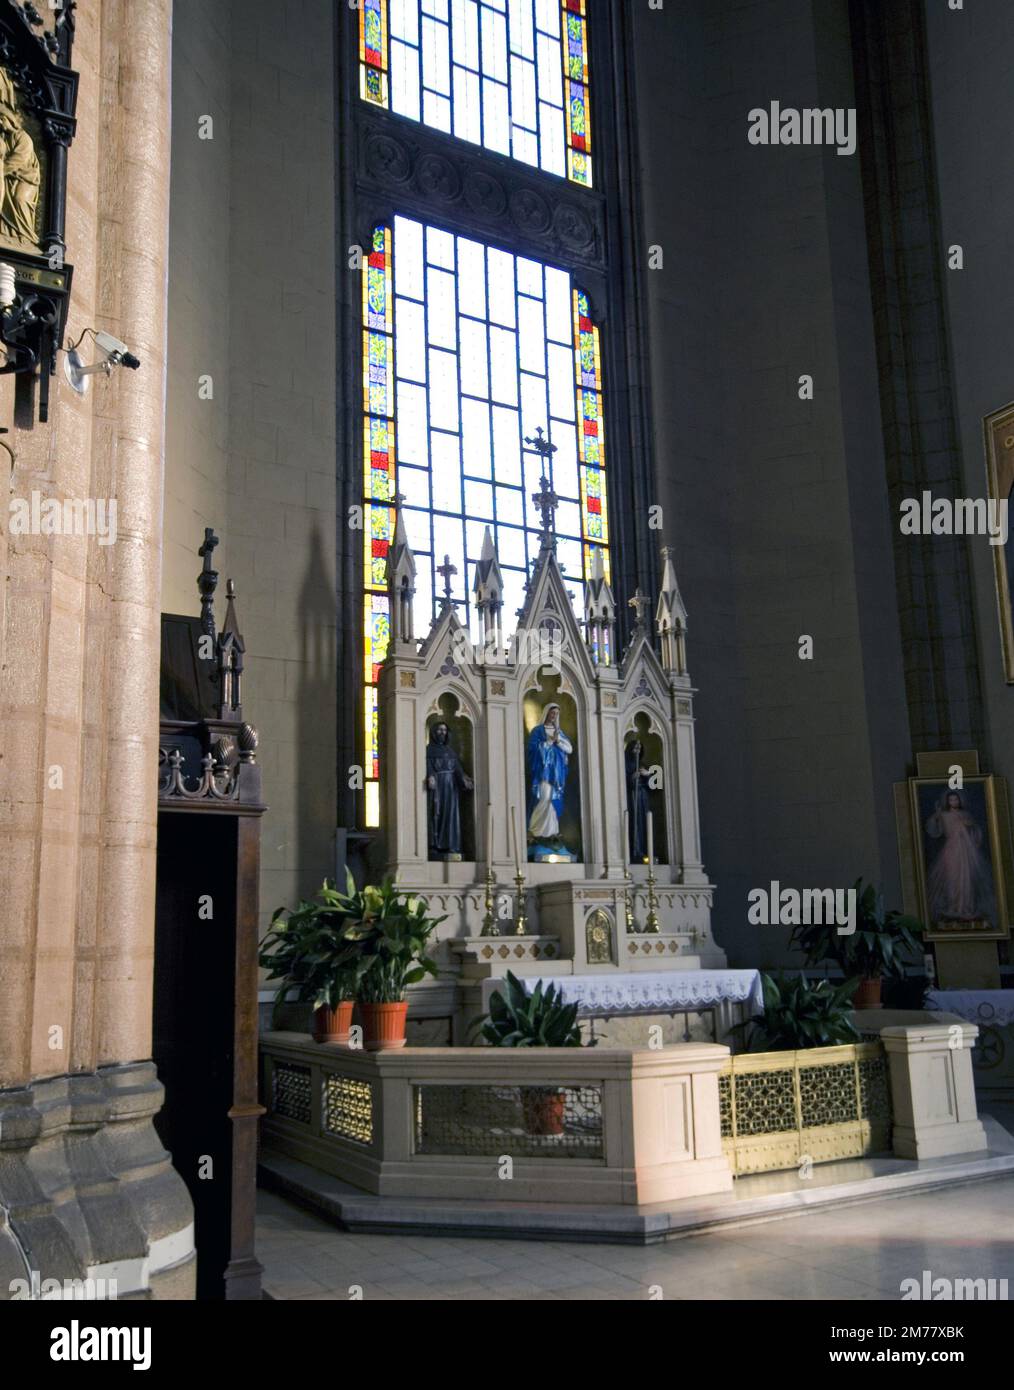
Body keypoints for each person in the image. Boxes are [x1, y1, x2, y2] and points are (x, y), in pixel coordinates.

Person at [924, 790, 994, 925]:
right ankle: (953, 907)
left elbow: (976, 833)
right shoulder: (944, 815)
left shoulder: (965, 814)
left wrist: (970, 827)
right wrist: (937, 814)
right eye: (951, 800)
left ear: (960, 801)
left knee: (966, 879)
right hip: (951, 850)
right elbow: (933, 830)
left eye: (956, 800)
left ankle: (965, 908)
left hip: (967, 851)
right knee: (953, 879)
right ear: (947, 802)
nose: (954, 802)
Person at [527, 703, 573, 845]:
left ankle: (552, 833)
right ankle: (535, 830)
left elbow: (569, 749)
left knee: (554, 800)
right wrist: (548, 742)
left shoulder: (559, 732)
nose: (554, 716)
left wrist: (557, 741)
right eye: (552, 713)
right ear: (547, 713)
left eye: (557, 714)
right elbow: (532, 750)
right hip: (543, 772)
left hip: (557, 773)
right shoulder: (537, 731)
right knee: (544, 798)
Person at [426, 721, 472, 859]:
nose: (442, 733)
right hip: (438, 787)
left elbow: (457, 769)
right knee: (437, 814)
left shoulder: (450, 751)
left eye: (444, 730)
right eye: (439, 730)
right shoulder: (429, 750)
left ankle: (451, 844)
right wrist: (431, 776)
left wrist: (465, 779)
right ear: (434, 732)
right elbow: (427, 766)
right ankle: (435, 846)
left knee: (451, 815)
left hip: (451, 788)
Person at [0, 103, 40, 249]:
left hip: (27, 178)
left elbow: (19, 158)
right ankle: (10, 233)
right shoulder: (6, 139)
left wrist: (2, 169)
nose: (0, 123)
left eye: (2, 119)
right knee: (5, 200)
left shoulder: (24, 138)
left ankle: (26, 236)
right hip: (11, 176)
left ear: (9, 120)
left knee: (19, 199)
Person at [625, 736, 651, 863]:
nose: (637, 751)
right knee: (634, 824)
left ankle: (643, 851)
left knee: (643, 824)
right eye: (635, 748)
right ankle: (634, 851)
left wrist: (647, 775)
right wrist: (631, 778)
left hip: (642, 798)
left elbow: (655, 786)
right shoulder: (625, 764)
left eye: (639, 748)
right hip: (632, 797)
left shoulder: (642, 765)